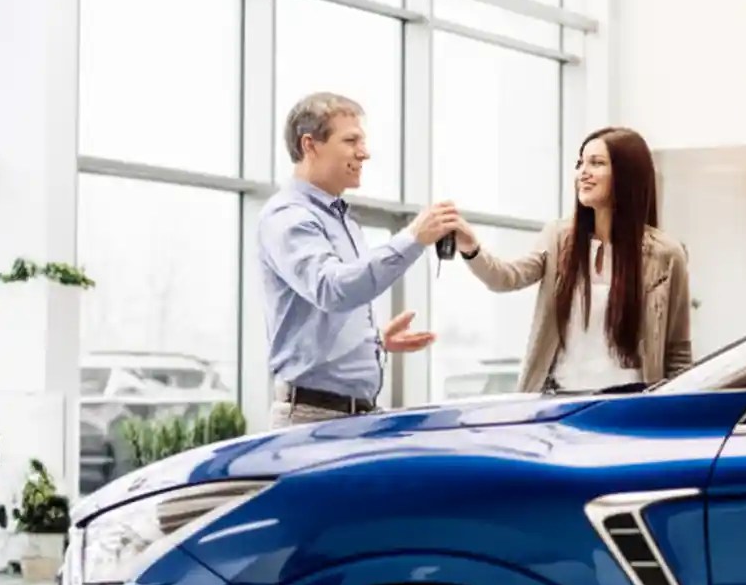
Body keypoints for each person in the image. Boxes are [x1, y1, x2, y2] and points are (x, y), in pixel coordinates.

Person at [259, 92, 457, 428]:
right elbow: (332, 289)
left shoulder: (342, 220)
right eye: (350, 141)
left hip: (347, 417)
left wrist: (374, 340)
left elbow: (325, 309)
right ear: (310, 145)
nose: (364, 153)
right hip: (312, 420)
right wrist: (413, 238)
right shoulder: (288, 216)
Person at [451, 127, 692, 393]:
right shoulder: (558, 238)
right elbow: (506, 277)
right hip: (561, 403)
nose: (583, 173)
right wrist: (470, 246)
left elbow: (677, 352)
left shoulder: (667, 255)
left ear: (627, 175)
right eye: (580, 163)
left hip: (631, 406)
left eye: (596, 163)